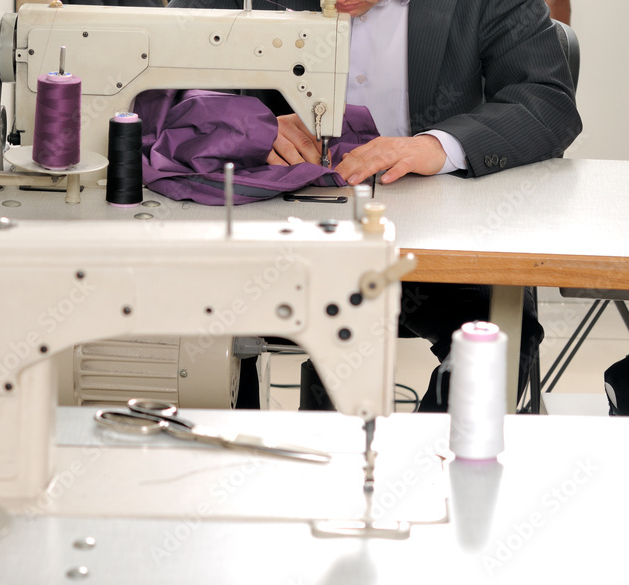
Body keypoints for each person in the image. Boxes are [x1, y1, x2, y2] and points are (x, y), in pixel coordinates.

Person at [166, 0, 582, 411]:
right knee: (197, 321)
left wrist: (440, 145)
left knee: (496, 337)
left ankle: (427, 464)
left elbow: (547, 103)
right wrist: (245, 126)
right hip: (276, 242)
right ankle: (247, 460)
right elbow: (160, 71)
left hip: (432, 246)